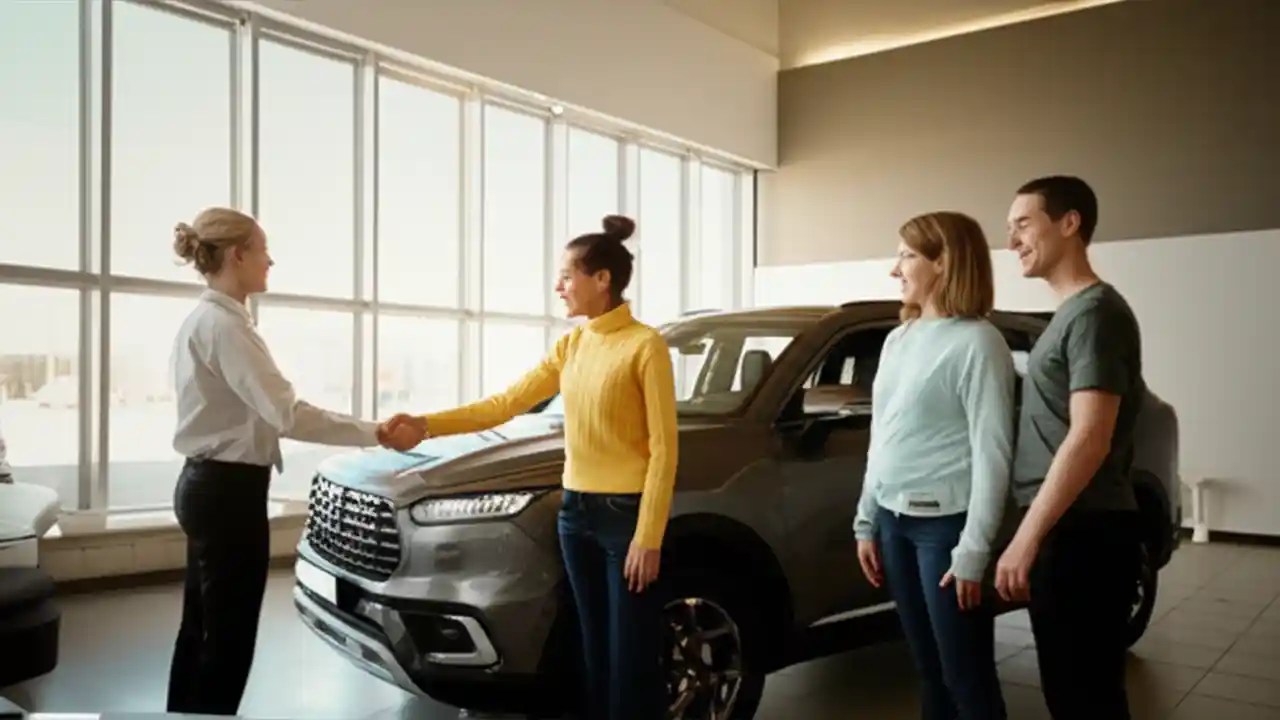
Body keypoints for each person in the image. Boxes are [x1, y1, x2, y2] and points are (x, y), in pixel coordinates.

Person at [389, 215, 678, 720]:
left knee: (630, 653)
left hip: (625, 519)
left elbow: (665, 449)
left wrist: (648, 536)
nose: (558, 286)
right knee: (592, 648)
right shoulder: (573, 344)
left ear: (602, 279)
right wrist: (427, 424)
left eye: (567, 275)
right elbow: (504, 404)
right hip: (575, 516)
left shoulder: (643, 345)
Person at [165, 207, 419, 715]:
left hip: (207, 485)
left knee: (203, 628)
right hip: (227, 493)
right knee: (227, 637)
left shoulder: (207, 320)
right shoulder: (225, 327)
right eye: (262, 250)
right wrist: (374, 432)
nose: (270, 260)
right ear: (237, 256)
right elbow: (288, 414)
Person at [853, 211, 1014, 720]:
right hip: (893, 522)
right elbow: (882, 437)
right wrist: (866, 519)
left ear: (943, 262)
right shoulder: (898, 339)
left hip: (945, 529)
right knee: (928, 672)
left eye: (906, 256)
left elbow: (993, 454)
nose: (894, 269)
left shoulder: (978, 343)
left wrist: (973, 551)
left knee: (966, 676)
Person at [995, 176, 1145, 718]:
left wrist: (1026, 538)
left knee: (1086, 699)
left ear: (1069, 223)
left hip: (1085, 532)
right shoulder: (1072, 314)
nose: (1012, 240)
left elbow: (1089, 437)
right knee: (1070, 694)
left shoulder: (1094, 314)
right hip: (1071, 527)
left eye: (1023, 224)